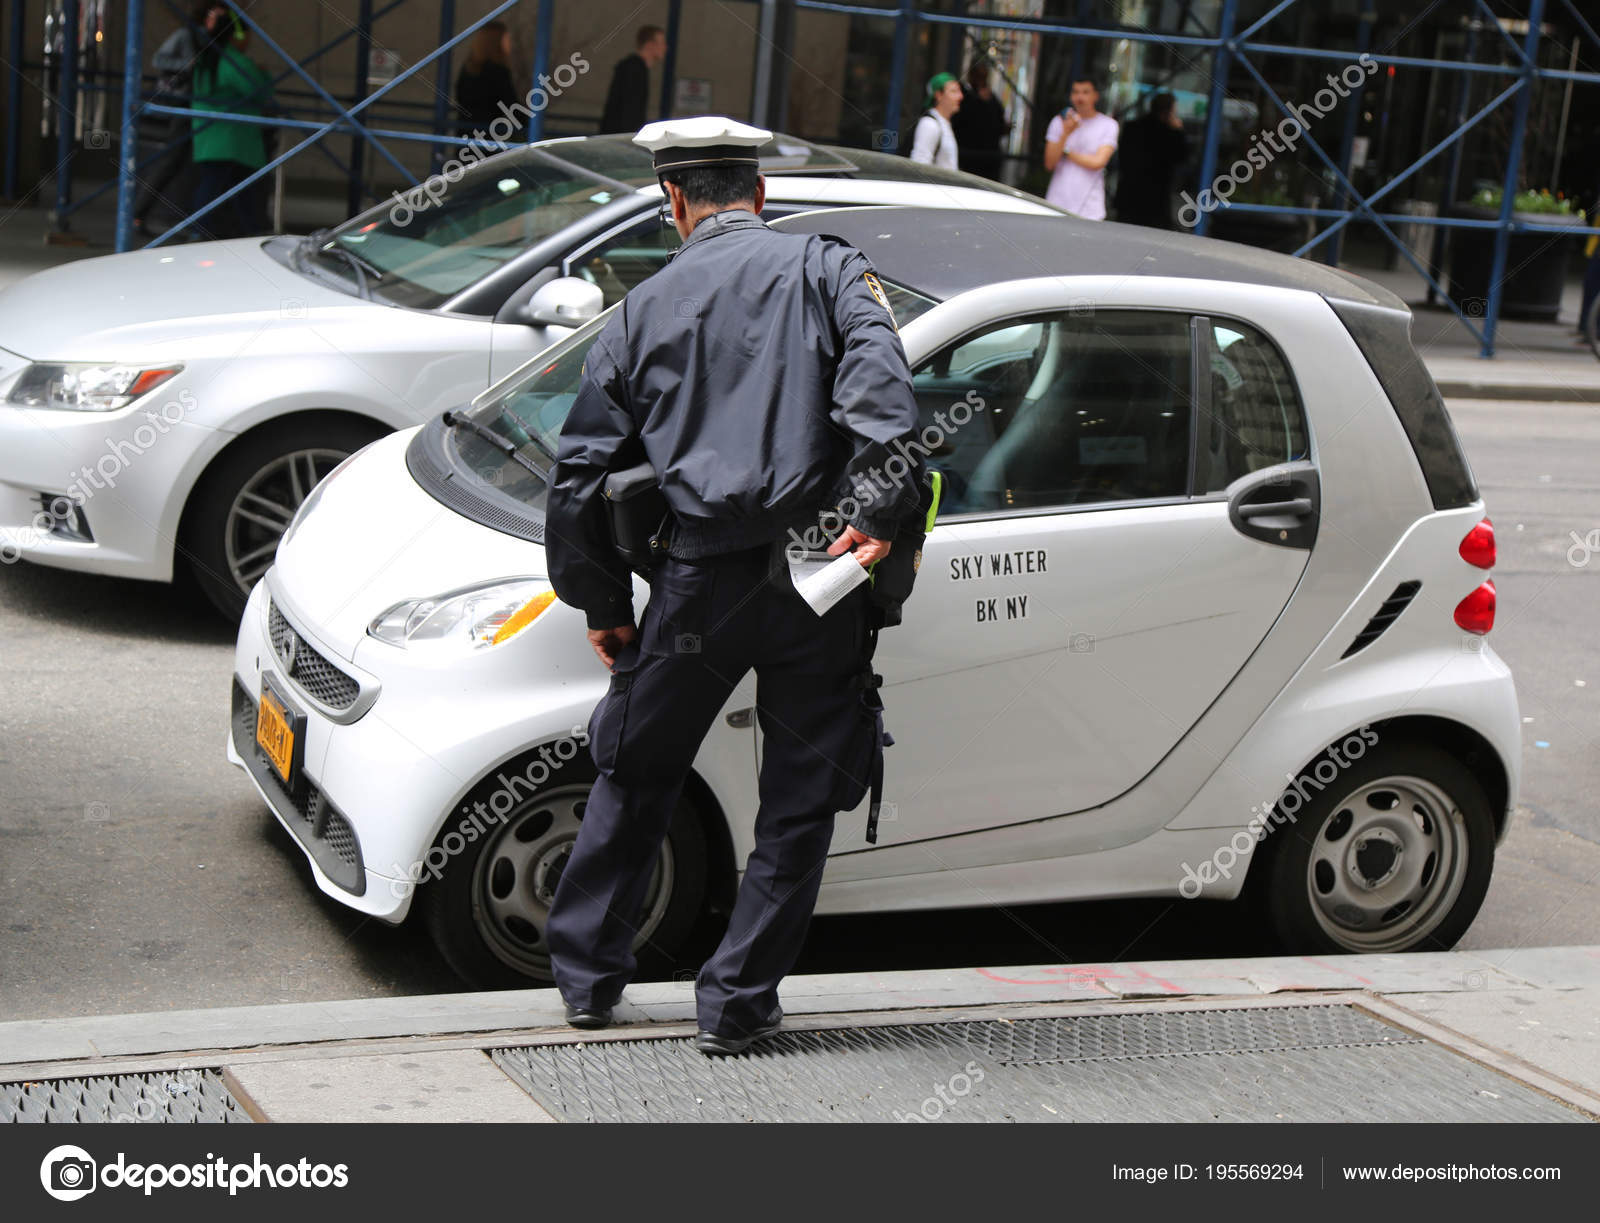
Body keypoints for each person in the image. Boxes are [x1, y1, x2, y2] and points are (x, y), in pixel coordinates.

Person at [544, 116, 923, 1056]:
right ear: (757, 195)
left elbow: (579, 474)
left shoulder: (637, 313)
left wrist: (601, 601)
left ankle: (588, 982)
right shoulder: (833, 271)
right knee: (796, 802)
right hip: (815, 584)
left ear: (675, 202)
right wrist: (874, 512)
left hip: (694, 587)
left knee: (637, 772)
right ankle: (737, 1004)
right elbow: (886, 398)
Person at [189, 5, 274, 238]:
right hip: (234, 139)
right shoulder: (234, 62)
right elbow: (259, 91)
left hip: (209, 136)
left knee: (216, 186)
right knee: (243, 192)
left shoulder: (206, 59)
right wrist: (264, 74)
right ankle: (250, 232)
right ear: (238, 35)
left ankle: (204, 231)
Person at [132, 2, 214, 239]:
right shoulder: (186, 35)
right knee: (171, 160)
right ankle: (139, 213)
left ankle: (172, 217)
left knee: (184, 162)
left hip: (197, 104)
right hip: (181, 104)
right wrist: (186, 65)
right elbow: (158, 60)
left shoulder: (208, 39)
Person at [1044, 76, 1119, 218]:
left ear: (1095, 96)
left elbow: (1098, 162)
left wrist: (1066, 152)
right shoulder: (1059, 122)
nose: (1080, 97)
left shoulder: (1108, 125)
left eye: (1085, 92)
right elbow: (1049, 163)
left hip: (1090, 209)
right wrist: (1065, 133)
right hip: (1056, 202)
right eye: (1076, 92)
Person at [1113, 91, 1187, 228]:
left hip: (1129, 196)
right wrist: (1179, 131)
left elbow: (1123, 159)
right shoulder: (1169, 133)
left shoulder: (1132, 127)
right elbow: (1182, 157)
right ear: (1168, 111)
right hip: (1155, 201)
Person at [599, 26, 667, 134]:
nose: (665, 47)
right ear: (650, 45)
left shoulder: (632, 67)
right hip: (621, 139)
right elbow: (629, 111)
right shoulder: (635, 70)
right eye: (662, 43)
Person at [454, 19, 519, 131]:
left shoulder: (468, 67)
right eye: (507, 39)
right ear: (496, 42)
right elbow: (511, 105)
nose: (510, 44)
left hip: (465, 133)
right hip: (487, 136)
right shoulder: (498, 71)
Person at [950, 61, 1008, 181]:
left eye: (984, 76)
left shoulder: (992, 99)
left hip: (989, 159)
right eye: (979, 76)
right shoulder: (964, 97)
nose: (981, 80)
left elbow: (1000, 123)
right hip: (968, 157)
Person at [909, 72, 961, 169]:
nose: (960, 96)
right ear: (938, 95)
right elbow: (919, 168)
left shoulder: (944, 123)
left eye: (959, 91)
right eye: (954, 91)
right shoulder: (930, 124)